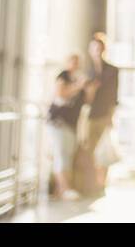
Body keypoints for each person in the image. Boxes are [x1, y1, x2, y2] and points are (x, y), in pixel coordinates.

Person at [81, 32, 119, 193]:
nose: (96, 51)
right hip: (90, 117)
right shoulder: (87, 73)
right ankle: (91, 185)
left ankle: (102, 185)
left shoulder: (112, 70)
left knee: (104, 151)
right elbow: (85, 99)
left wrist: (111, 116)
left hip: (104, 115)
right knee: (90, 151)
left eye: (99, 47)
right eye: (94, 48)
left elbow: (113, 95)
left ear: (104, 49)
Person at [47, 53, 84, 200]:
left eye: (77, 62)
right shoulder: (63, 76)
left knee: (67, 155)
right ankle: (65, 188)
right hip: (58, 122)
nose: (75, 64)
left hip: (70, 124)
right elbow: (60, 94)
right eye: (72, 61)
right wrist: (77, 87)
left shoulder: (78, 79)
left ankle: (60, 189)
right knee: (61, 155)